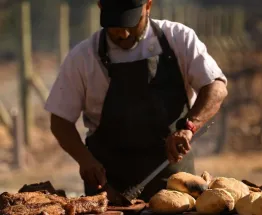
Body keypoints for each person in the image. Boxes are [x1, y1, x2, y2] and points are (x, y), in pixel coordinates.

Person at [45, 0, 228, 202]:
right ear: (100, 6)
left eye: (131, 23)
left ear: (148, 5)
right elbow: (60, 120)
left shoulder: (178, 39)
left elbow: (216, 88)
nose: (122, 34)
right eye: (114, 24)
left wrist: (189, 126)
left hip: (175, 185)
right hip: (108, 187)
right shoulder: (82, 57)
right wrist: (85, 160)